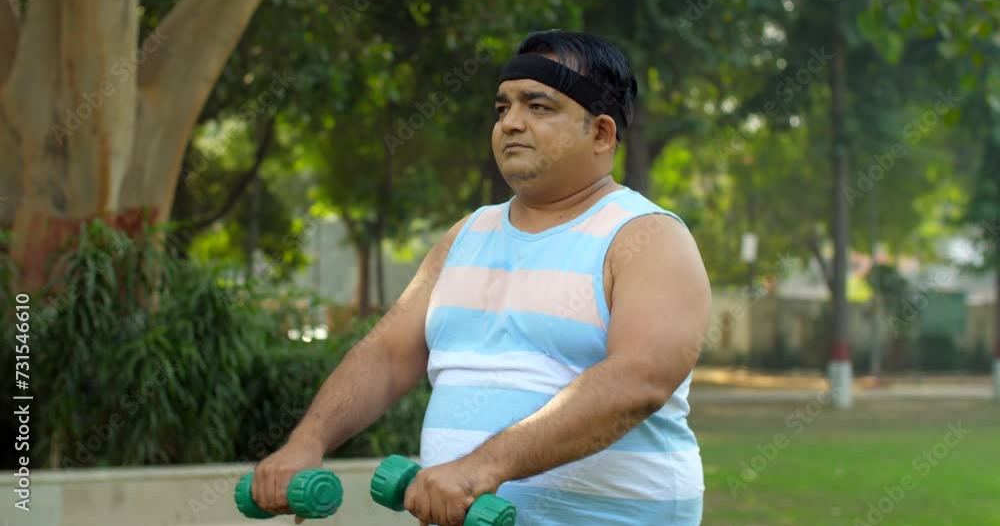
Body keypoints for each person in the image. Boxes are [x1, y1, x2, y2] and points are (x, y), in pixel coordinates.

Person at [251, 30, 711, 526]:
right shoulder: (466, 236)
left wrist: (481, 468)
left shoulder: (646, 237)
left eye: (538, 107)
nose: (510, 123)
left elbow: (639, 379)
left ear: (600, 134)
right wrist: (307, 442)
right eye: (502, 108)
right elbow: (386, 355)